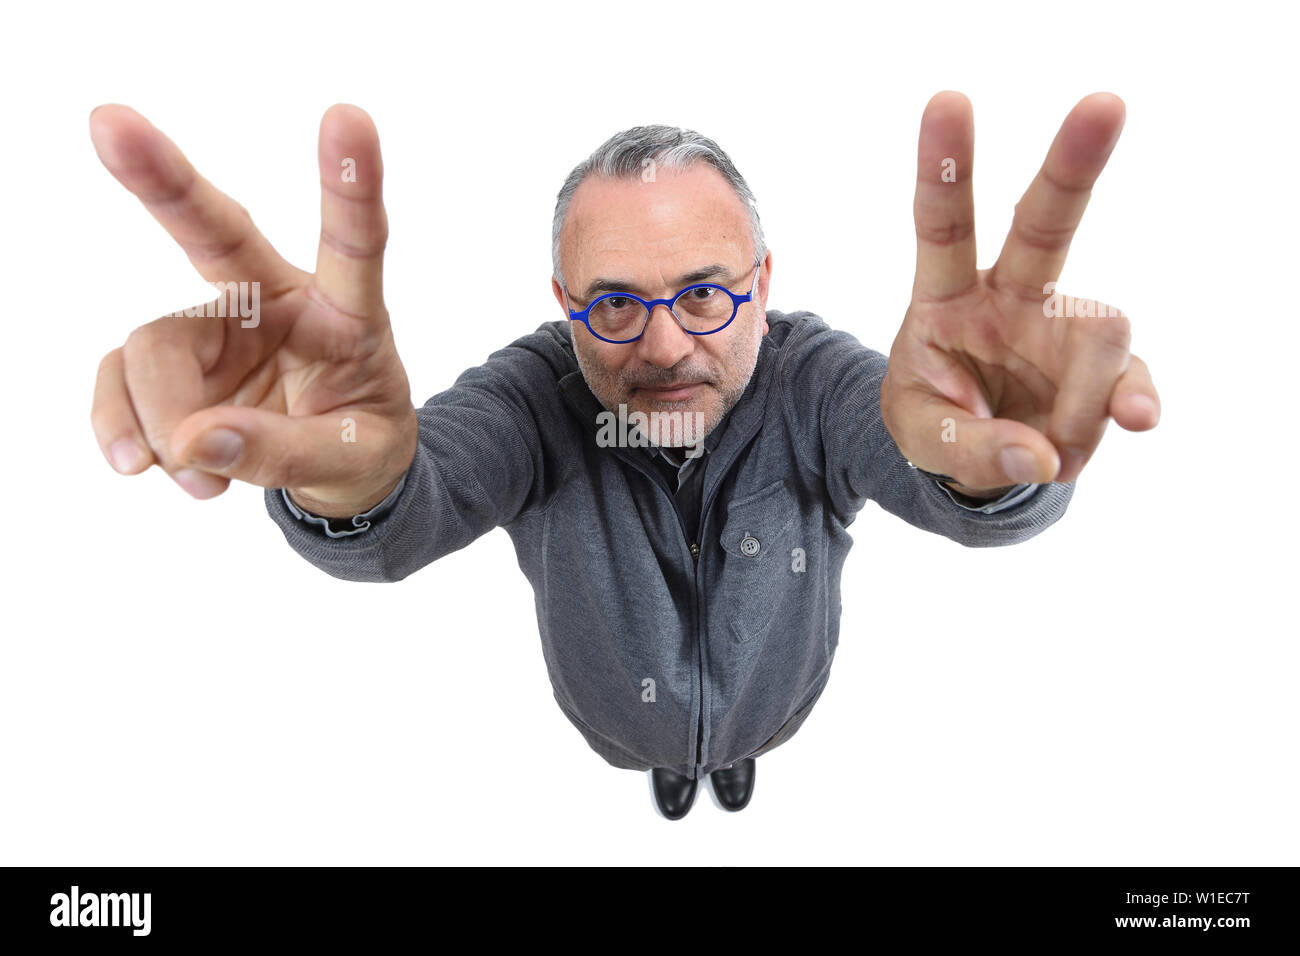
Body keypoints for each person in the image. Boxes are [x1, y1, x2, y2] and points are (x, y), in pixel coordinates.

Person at [89, 92, 1160, 820]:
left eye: (703, 291)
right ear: (563, 305)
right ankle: (673, 772)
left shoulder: (816, 376)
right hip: (611, 714)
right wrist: (345, 474)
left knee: (744, 746)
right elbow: (413, 494)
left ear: (762, 279)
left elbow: (918, 446)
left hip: (779, 700)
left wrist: (993, 462)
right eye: (612, 304)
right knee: (661, 758)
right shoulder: (535, 393)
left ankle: (731, 763)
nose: (661, 344)